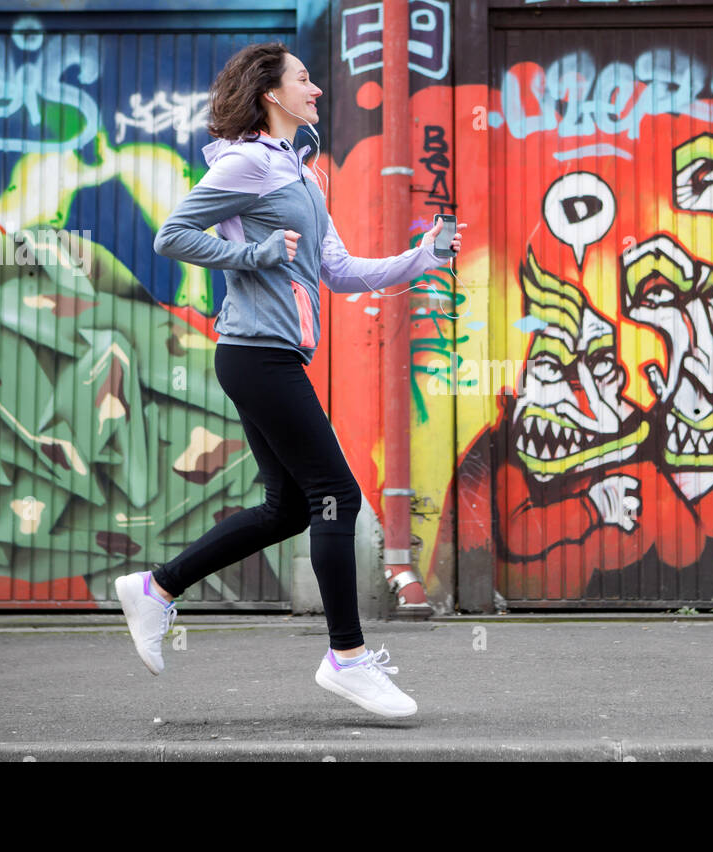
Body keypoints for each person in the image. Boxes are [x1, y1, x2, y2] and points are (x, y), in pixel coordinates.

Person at [113, 42, 464, 718]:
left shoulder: (304, 176)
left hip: (273, 355)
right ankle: (348, 657)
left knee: (292, 507)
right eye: (305, 79)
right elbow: (172, 235)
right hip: (256, 354)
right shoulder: (247, 163)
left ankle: (157, 589)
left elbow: (339, 271)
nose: (317, 90)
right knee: (337, 493)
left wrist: (421, 257)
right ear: (271, 92)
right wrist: (252, 254)